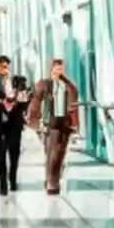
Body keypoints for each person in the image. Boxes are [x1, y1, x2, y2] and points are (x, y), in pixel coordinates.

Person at [26, 59, 80, 195]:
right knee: (53, 153)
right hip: (50, 123)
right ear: (51, 70)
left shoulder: (67, 86)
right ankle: (52, 183)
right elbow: (35, 103)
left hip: (65, 123)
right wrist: (36, 123)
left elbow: (74, 98)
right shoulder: (45, 85)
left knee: (60, 153)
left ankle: (52, 180)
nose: (58, 72)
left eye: (61, 69)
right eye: (56, 69)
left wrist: (75, 125)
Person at [0, 56, 26, 195]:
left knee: (14, 153)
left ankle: (12, 178)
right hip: (0, 123)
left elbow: (23, 101)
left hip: (15, 122)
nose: (4, 69)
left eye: (6, 66)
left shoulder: (16, 80)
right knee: (1, 154)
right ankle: (2, 184)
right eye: (2, 66)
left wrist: (18, 98)